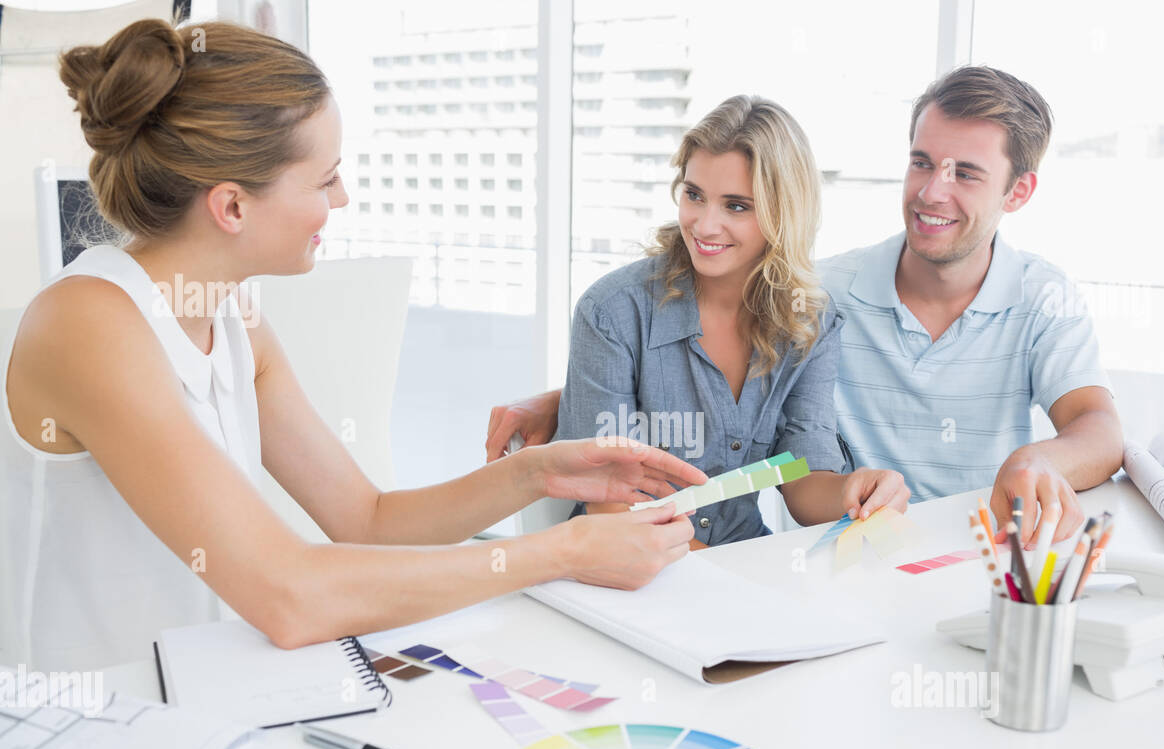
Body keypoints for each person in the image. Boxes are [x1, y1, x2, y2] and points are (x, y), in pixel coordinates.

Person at [1, 18, 705, 672]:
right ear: (232, 205)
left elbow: (365, 520)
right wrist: (562, 551)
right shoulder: (88, 323)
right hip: (88, 737)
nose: (341, 199)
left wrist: (540, 475)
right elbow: (289, 595)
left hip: (207, 697)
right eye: (324, 177)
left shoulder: (233, 318)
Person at [486, 67, 1123, 548]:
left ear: (1020, 191)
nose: (933, 191)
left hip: (965, 553)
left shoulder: (814, 311)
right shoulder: (829, 290)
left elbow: (1099, 429)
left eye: (967, 173)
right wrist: (566, 400)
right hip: (765, 561)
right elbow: (641, 354)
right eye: (922, 162)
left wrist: (1029, 459)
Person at [551, 95, 910, 548]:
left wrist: (854, 493)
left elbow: (802, 477)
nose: (704, 225)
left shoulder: (810, 322)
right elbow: (608, 503)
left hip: (739, 561)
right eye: (694, 195)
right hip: (626, 564)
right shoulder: (612, 313)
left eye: (736, 206)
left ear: (784, 213)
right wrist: (722, 577)